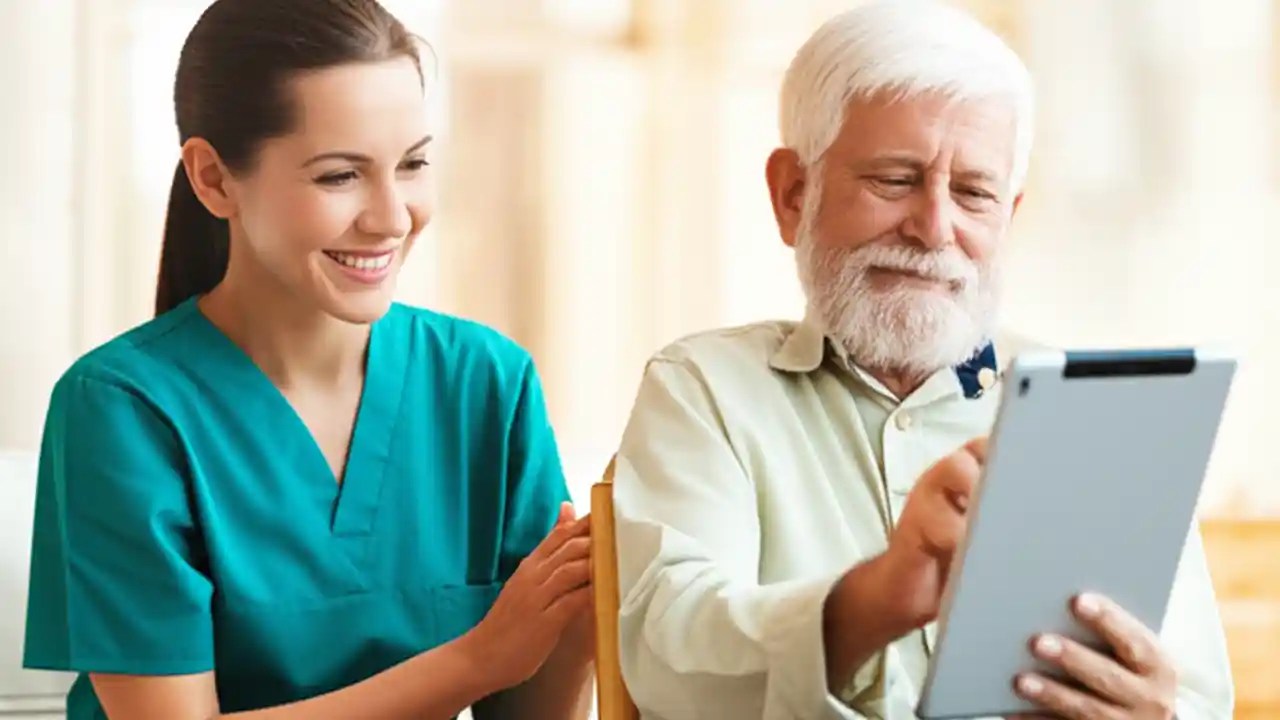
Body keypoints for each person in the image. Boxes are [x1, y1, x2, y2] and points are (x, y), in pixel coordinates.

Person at [610, 1, 1234, 719]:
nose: (935, 228)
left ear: (1009, 217)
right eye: (894, 180)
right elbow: (670, 664)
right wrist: (877, 599)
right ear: (793, 195)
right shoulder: (705, 391)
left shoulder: (1098, 416)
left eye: (973, 192)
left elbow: (1197, 697)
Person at [22, 1, 594, 718]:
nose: (392, 217)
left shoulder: (486, 383)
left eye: (413, 163)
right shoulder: (122, 409)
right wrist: (478, 659)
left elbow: (534, 701)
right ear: (213, 179)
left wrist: (584, 624)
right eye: (339, 176)